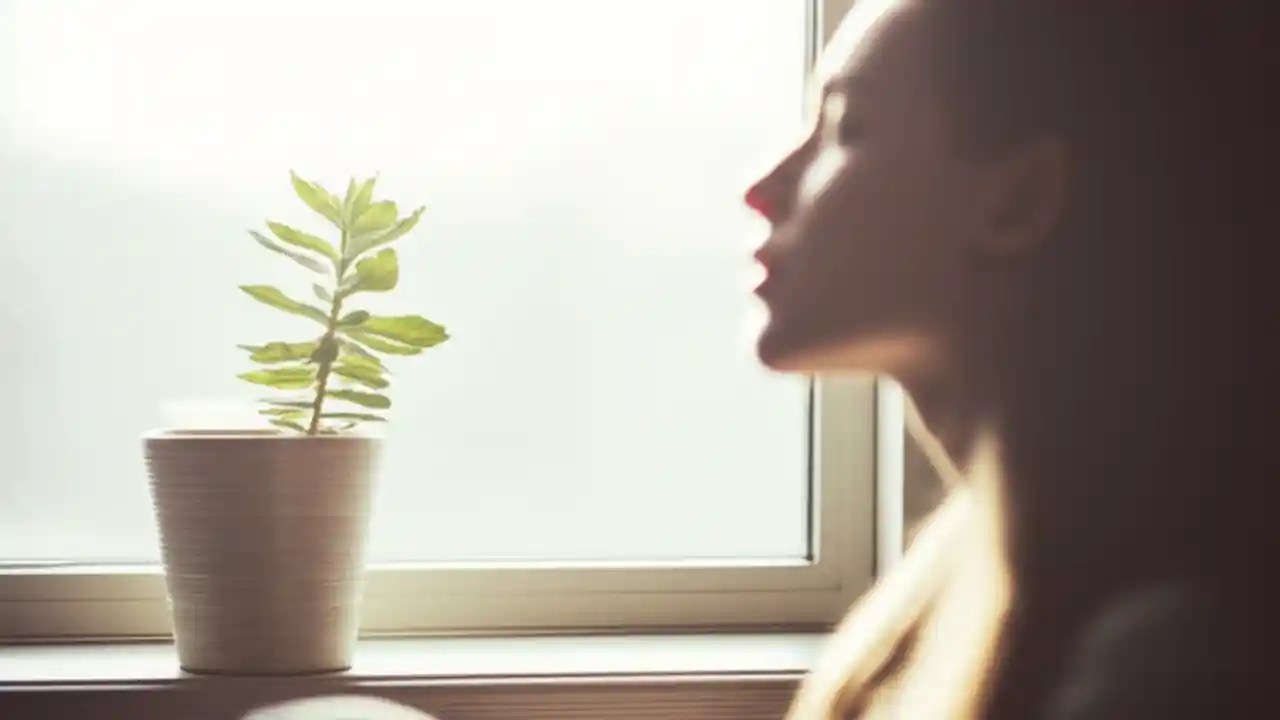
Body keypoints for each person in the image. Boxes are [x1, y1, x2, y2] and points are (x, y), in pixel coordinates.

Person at [744, 1, 1276, 718]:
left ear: (1017, 200)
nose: (766, 190)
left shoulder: (1179, 662)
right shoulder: (952, 587)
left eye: (848, 127)